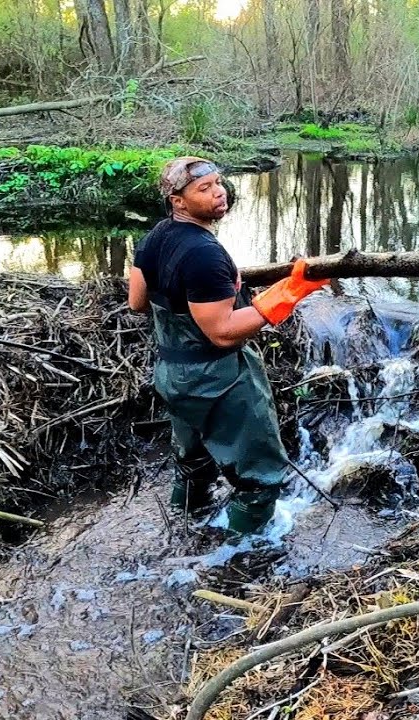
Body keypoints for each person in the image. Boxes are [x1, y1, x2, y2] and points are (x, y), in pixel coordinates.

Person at [128, 157, 329, 535]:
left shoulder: (153, 238)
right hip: (218, 377)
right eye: (204, 189)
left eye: (219, 183)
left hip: (172, 374)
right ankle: (240, 556)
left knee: (193, 463)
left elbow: (137, 302)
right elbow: (221, 332)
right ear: (178, 201)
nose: (219, 192)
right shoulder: (204, 254)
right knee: (261, 478)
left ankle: (186, 524)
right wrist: (287, 293)